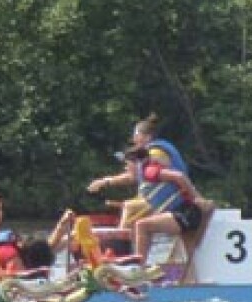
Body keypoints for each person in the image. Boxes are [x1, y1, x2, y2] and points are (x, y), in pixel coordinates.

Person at [87, 114, 214, 277]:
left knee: (142, 225)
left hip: (186, 212)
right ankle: (192, 285)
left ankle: (137, 271)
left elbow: (178, 176)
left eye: (136, 135)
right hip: (182, 211)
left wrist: (197, 198)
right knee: (189, 258)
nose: (126, 167)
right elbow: (133, 176)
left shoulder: (153, 160)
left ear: (146, 137)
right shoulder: (146, 166)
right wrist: (106, 181)